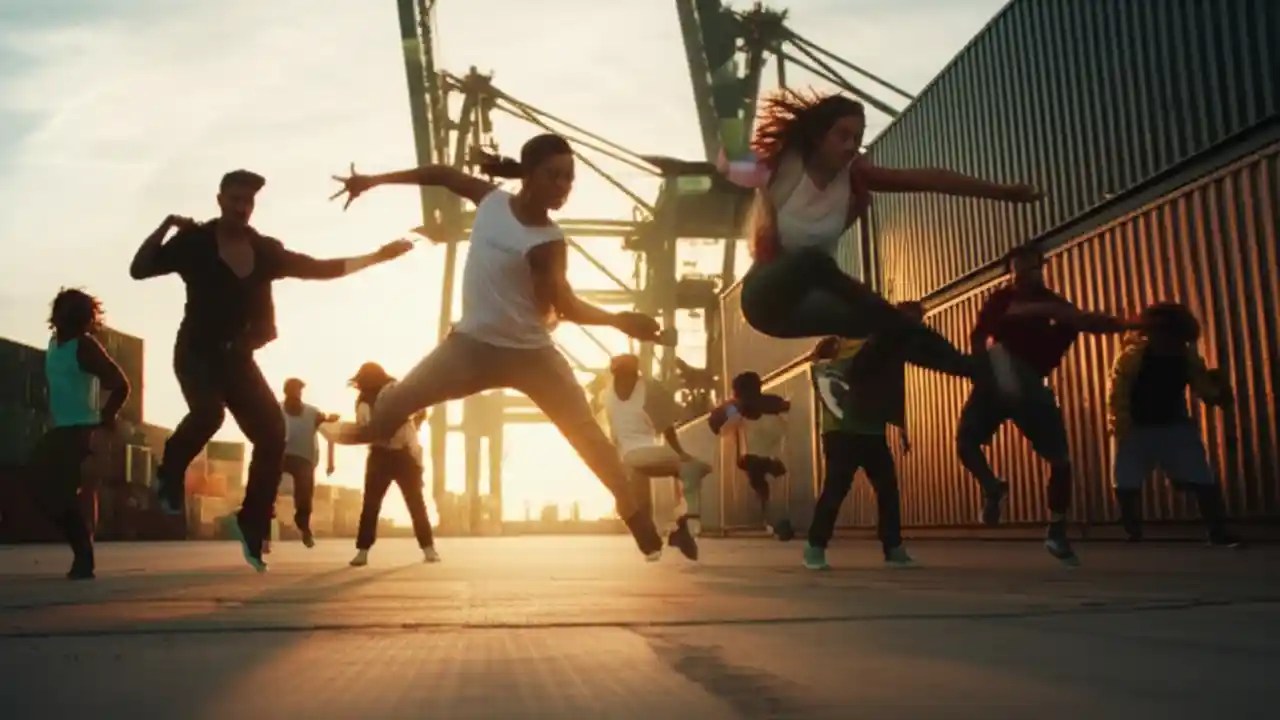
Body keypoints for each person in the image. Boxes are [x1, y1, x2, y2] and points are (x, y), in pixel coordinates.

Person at [328, 133, 672, 561]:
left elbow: (564, 304)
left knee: (587, 434)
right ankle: (367, 429)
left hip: (532, 356)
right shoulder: (491, 200)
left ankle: (633, 512)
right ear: (529, 175)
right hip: (472, 346)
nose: (564, 186)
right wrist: (375, 179)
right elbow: (441, 175)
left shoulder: (548, 241)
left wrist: (618, 319)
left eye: (569, 178)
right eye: (555, 176)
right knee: (400, 399)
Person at [128, 168, 414, 571]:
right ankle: (170, 471)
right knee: (209, 414)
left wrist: (377, 256)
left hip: (238, 359)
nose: (242, 208)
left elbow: (320, 268)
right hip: (196, 353)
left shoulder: (265, 252)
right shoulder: (193, 243)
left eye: (248, 202)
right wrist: (167, 225)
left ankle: (253, 518)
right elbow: (139, 269)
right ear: (220, 199)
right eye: (235, 200)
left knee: (272, 433)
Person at [719, 89, 1044, 380]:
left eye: (856, 139)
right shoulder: (786, 165)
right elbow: (726, 160)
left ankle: (973, 370)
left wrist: (1002, 192)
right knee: (814, 263)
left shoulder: (854, 177)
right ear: (819, 136)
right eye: (842, 136)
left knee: (891, 324)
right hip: (764, 294)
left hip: (798, 311)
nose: (850, 147)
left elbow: (930, 179)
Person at [959, 244, 1141, 566]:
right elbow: (980, 336)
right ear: (1011, 273)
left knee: (1060, 458)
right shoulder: (1001, 301)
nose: (1024, 277)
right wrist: (981, 368)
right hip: (996, 377)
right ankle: (993, 486)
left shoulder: (1056, 304)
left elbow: (1084, 321)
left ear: (1040, 268)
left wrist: (1125, 324)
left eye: (1030, 270)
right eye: (1018, 272)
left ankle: (1057, 531)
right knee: (966, 443)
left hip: (1030, 383)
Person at [1107, 303, 1240, 547]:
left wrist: (1217, 392)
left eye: (1179, 340)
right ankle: (1132, 532)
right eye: (1168, 338)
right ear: (1153, 334)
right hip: (1135, 427)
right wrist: (1120, 426)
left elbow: (1203, 387)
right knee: (1126, 481)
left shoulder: (1186, 356)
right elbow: (1118, 395)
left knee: (1201, 476)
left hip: (1174, 425)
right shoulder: (1131, 358)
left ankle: (1217, 532)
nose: (1173, 345)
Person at [804, 301, 923, 571]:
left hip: (870, 428)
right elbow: (827, 377)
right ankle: (815, 546)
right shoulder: (853, 345)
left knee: (887, 489)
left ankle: (893, 548)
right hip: (842, 429)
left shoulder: (882, 346)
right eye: (912, 321)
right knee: (837, 487)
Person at [31, 289, 130, 579]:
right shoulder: (53, 344)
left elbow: (121, 383)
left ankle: (84, 555)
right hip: (60, 429)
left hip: (80, 431)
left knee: (59, 492)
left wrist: (105, 418)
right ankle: (83, 547)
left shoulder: (84, 346)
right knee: (41, 487)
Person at [591, 354, 708, 560]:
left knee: (642, 504)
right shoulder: (647, 389)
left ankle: (653, 545)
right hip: (642, 454)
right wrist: (681, 454)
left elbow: (596, 416)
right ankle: (684, 524)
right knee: (696, 468)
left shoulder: (607, 394)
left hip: (627, 457)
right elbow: (666, 427)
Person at [328, 362, 440, 567]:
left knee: (374, 505)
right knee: (411, 504)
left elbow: (365, 426)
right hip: (400, 455)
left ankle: (363, 552)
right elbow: (420, 411)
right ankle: (428, 549)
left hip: (383, 456)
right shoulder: (396, 392)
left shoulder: (370, 398)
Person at [708, 372, 792, 539]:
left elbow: (719, 426)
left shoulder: (738, 408)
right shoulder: (772, 403)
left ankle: (775, 520)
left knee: (763, 487)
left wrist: (733, 406)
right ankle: (778, 521)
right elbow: (785, 408)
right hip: (771, 457)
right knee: (772, 488)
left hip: (754, 458)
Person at [280, 377, 338, 548]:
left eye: (298, 393)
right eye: (293, 393)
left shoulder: (312, 413)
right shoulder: (276, 410)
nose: (296, 397)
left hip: (304, 459)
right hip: (281, 455)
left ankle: (304, 527)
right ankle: (264, 527)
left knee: (304, 494)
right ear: (286, 394)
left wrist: (331, 462)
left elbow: (330, 433)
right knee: (266, 488)